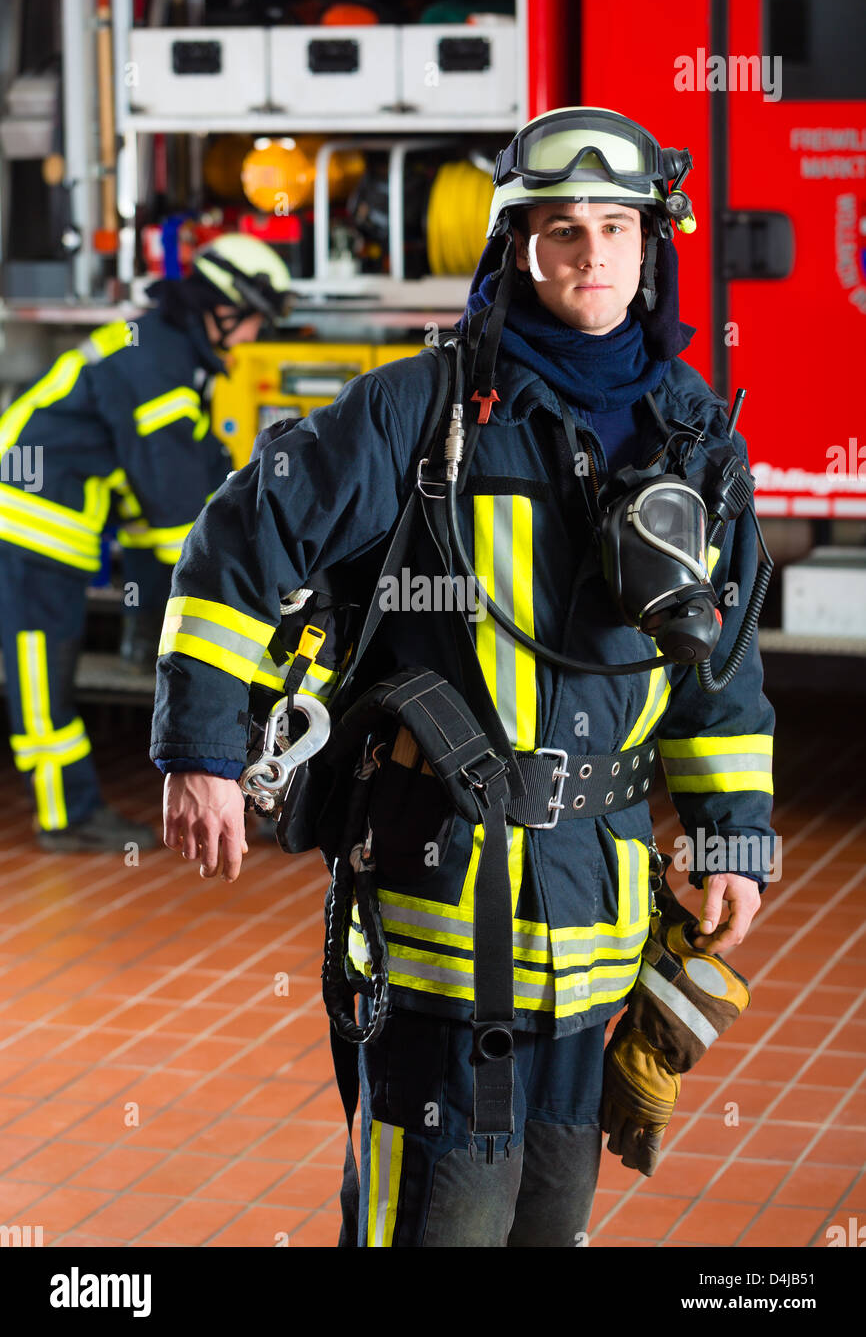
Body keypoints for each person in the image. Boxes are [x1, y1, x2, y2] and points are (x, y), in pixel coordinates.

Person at [151, 108, 775, 1247]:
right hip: (439, 904)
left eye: (615, 228)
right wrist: (198, 751)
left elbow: (719, 664)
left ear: (653, 245)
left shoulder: (691, 438)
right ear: (513, 246)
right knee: (432, 1222)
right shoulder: (420, 411)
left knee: (553, 1218)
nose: (591, 255)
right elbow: (237, 542)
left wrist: (733, 833)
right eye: (560, 230)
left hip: (598, 918)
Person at [0, 233, 292, 852]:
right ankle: (66, 817)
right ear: (223, 306)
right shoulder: (158, 364)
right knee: (39, 672)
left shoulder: (166, 353)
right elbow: (177, 507)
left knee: (45, 667)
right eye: (253, 323)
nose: (251, 340)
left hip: (52, 526)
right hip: (26, 529)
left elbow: (163, 497)